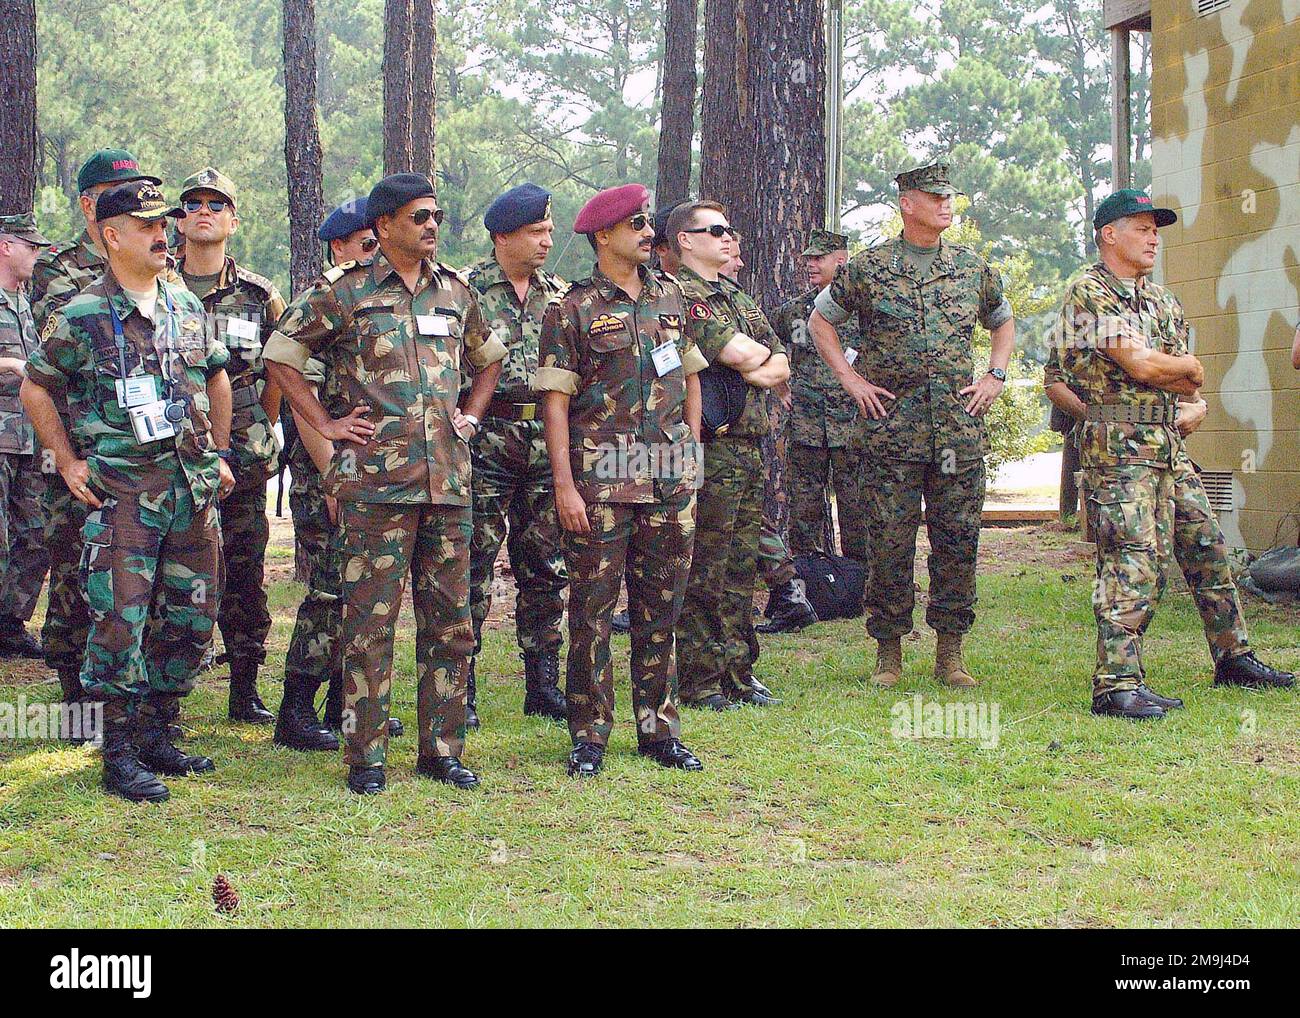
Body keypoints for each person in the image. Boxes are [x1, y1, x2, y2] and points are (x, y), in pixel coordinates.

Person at [264, 173, 506, 794]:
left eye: (436, 216)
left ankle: (441, 750)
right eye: (419, 217)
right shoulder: (346, 293)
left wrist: (472, 415)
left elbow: (491, 357)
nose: (431, 226)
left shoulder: (456, 291)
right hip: (375, 486)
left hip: (448, 481)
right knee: (368, 627)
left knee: (451, 624)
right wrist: (326, 422)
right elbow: (282, 356)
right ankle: (365, 755)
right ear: (384, 226)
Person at [20, 182, 234, 801]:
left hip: (188, 490)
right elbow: (38, 387)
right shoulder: (84, 315)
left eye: (163, 224)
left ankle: (159, 734)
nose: (162, 235)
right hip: (122, 492)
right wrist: (65, 459)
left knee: (190, 615)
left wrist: (217, 452)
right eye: (147, 226)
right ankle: (118, 751)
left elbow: (218, 378)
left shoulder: (184, 305)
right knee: (120, 620)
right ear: (113, 235)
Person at [1052, 188, 1293, 718]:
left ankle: (1234, 657)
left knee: (1208, 546)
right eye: (1142, 228)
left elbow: (1186, 384)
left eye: (1157, 229)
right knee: (1133, 558)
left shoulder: (1162, 301)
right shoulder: (1087, 292)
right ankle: (1116, 685)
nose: (1153, 237)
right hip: (1119, 450)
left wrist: (1196, 402)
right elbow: (1142, 365)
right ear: (1109, 234)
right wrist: (1188, 373)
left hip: (1168, 444)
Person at [809, 161, 1015, 688]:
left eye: (951, 196)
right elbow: (820, 321)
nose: (947, 204)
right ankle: (889, 654)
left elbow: (1002, 319)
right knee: (890, 541)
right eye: (935, 196)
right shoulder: (870, 268)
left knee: (957, 539)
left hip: (956, 431)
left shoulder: (972, 268)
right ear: (907, 203)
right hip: (891, 433)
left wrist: (995, 375)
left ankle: (951, 654)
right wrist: (851, 381)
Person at [537, 182, 705, 777]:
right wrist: (564, 485)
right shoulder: (571, 309)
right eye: (635, 224)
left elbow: (689, 376)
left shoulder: (671, 298)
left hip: (666, 480)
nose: (646, 232)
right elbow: (555, 404)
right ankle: (589, 733)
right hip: (602, 484)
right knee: (591, 613)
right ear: (603, 236)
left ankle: (659, 729)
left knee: (663, 610)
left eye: (645, 223)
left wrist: (693, 450)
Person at [28, 149, 162, 722]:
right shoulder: (58, 271)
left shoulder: (154, 263)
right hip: (78, 450)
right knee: (73, 574)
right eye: (119, 189)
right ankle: (77, 699)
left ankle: (132, 697)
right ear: (90, 204)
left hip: (136, 455)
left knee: (130, 581)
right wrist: (64, 455)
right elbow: (57, 362)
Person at [274, 197, 397, 751]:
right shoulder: (329, 299)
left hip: (371, 472)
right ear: (340, 247)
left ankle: (347, 708)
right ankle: (297, 712)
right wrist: (332, 481)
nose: (376, 254)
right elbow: (306, 408)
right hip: (330, 471)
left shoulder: (383, 295)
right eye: (367, 246)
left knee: (361, 594)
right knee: (330, 591)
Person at [174, 168, 286, 723]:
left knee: (244, 572)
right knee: (171, 572)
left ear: (233, 220)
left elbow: (279, 373)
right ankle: (163, 693)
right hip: (170, 454)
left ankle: (245, 689)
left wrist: (258, 430)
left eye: (216, 205)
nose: (204, 212)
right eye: (192, 204)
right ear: (177, 219)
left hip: (241, 456)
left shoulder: (260, 294)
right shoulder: (156, 283)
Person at [670, 201, 790, 710]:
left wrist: (759, 364)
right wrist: (758, 364)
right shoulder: (683, 296)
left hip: (747, 446)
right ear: (685, 240)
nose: (726, 238)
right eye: (714, 230)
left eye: (729, 228)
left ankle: (739, 669)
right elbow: (741, 356)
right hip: (710, 446)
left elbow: (779, 360)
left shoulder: (735, 296)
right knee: (707, 565)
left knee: (741, 564)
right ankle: (700, 678)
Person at [463, 183, 569, 727]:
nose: (547, 240)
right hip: (486, 439)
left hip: (544, 440)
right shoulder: (466, 292)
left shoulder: (561, 297)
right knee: (472, 565)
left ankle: (543, 682)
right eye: (535, 232)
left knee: (545, 565)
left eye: (549, 230)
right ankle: (462, 686)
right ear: (502, 236)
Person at [771, 229, 869, 568]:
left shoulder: (863, 310)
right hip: (806, 427)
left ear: (840, 261)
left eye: (818, 258)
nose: (810, 265)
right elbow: (764, 343)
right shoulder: (795, 310)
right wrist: (779, 385)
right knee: (804, 508)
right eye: (808, 259)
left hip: (854, 428)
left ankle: (859, 579)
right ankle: (811, 579)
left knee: (856, 507)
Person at [0, 214, 52, 659]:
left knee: (35, 533)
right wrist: (12, 366)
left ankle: (11, 623)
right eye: (31, 247)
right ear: (5, 247)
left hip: (27, 438)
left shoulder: (22, 302)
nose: (37, 256)